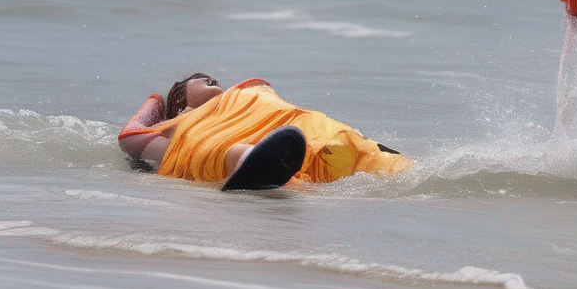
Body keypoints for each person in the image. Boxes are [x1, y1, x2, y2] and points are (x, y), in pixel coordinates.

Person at [118, 73, 410, 190]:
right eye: (200, 80)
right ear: (180, 99)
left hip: (316, 139)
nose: (212, 79)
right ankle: (256, 164)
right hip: (271, 150)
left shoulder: (238, 96)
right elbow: (130, 137)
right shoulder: (177, 128)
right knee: (229, 151)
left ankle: (269, 165)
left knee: (392, 166)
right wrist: (157, 102)